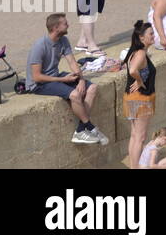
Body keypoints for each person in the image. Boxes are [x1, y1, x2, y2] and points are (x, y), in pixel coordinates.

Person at [26, 13, 107, 145]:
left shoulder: (63, 40)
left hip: (55, 76)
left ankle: (81, 130)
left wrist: (81, 80)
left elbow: (73, 63)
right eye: (65, 23)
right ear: (55, 28)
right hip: (39, 84)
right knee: (75, 95)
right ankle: (90, 127)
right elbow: (36, 77)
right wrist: (63, 80)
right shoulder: (39, 46)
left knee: (92, 87)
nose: (68, 24)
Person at [124, 21, 160, 169]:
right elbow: (133, 70)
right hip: (141, 99)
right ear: (141, 37)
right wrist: (139, 80)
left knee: (134, 136)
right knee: (141, 137)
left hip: (131, 98)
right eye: (151, 34)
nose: (153, 36)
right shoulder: (140, 54)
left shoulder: (134, 51)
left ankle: (134, 167)